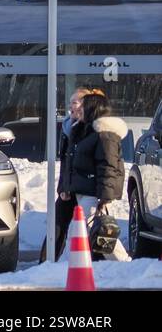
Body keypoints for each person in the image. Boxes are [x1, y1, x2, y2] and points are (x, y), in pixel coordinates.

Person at [67, 91, 129, 261]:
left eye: (83, 106)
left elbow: (108, 166)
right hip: (87, 191)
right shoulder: (88, 131)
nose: (78, 109)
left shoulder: (105, 134)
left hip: (94, 194)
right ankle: (125, 265)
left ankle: (65, 268)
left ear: (92, 109)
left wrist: (104, 198)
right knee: (102, 235)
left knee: (79, 232)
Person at [46, 86, 91, 262]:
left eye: (75, 102)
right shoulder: (67, 127)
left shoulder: (89, 128)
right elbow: (66, 162)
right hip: (69, 186)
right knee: (56, 226)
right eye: (70, 102)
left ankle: (110, 264)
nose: (71, 106)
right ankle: (46, 264)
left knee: (89, 228)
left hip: (84, 186)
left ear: (85, 105)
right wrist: (63, 187)